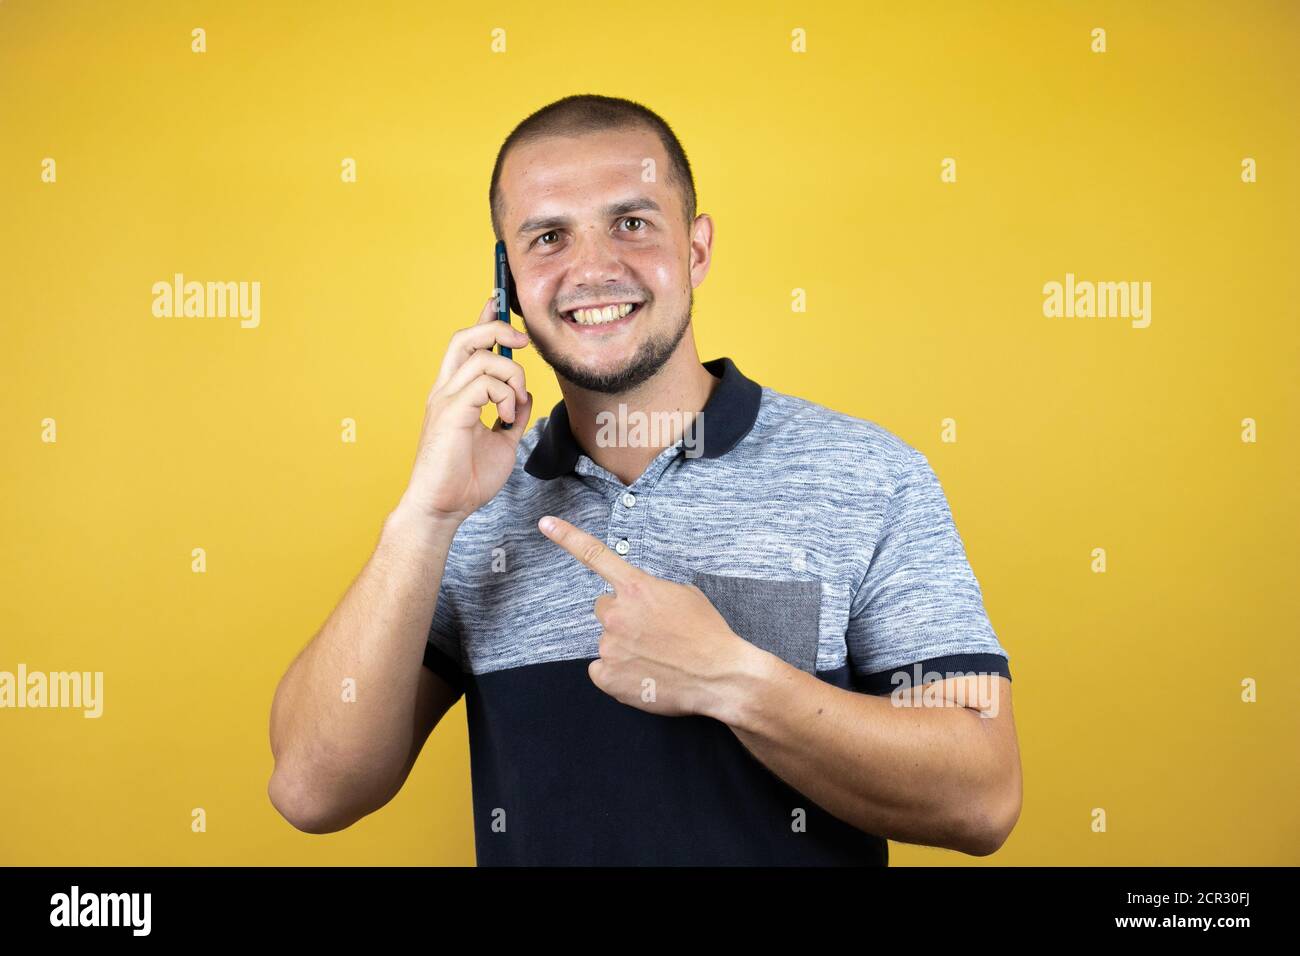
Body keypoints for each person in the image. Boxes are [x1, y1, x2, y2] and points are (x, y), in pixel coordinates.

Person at [268, 93, 1022, 865]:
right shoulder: (474, 511)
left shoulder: (869, 474)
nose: (593, 269)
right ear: (508, 282)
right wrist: (425, 516)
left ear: (696, 250)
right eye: (548, 237)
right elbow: (312, 789)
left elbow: (983, 796)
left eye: (631, 223)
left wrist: (734, 681)